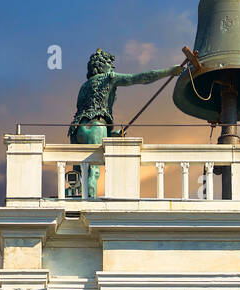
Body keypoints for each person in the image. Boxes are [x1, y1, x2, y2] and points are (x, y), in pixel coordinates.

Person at [69, 48, 183, 198]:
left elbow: (85, 109)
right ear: (102, 66)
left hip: (76, 130)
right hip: (97, 125)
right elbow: (141, 78)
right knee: (94, 172)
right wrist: (169, 71)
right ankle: (90, 204)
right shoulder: (109, 78)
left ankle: (73, 199)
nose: (112, 68)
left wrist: (110, 135)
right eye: (109, 64)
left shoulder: (84, 87)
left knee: (78, 175)